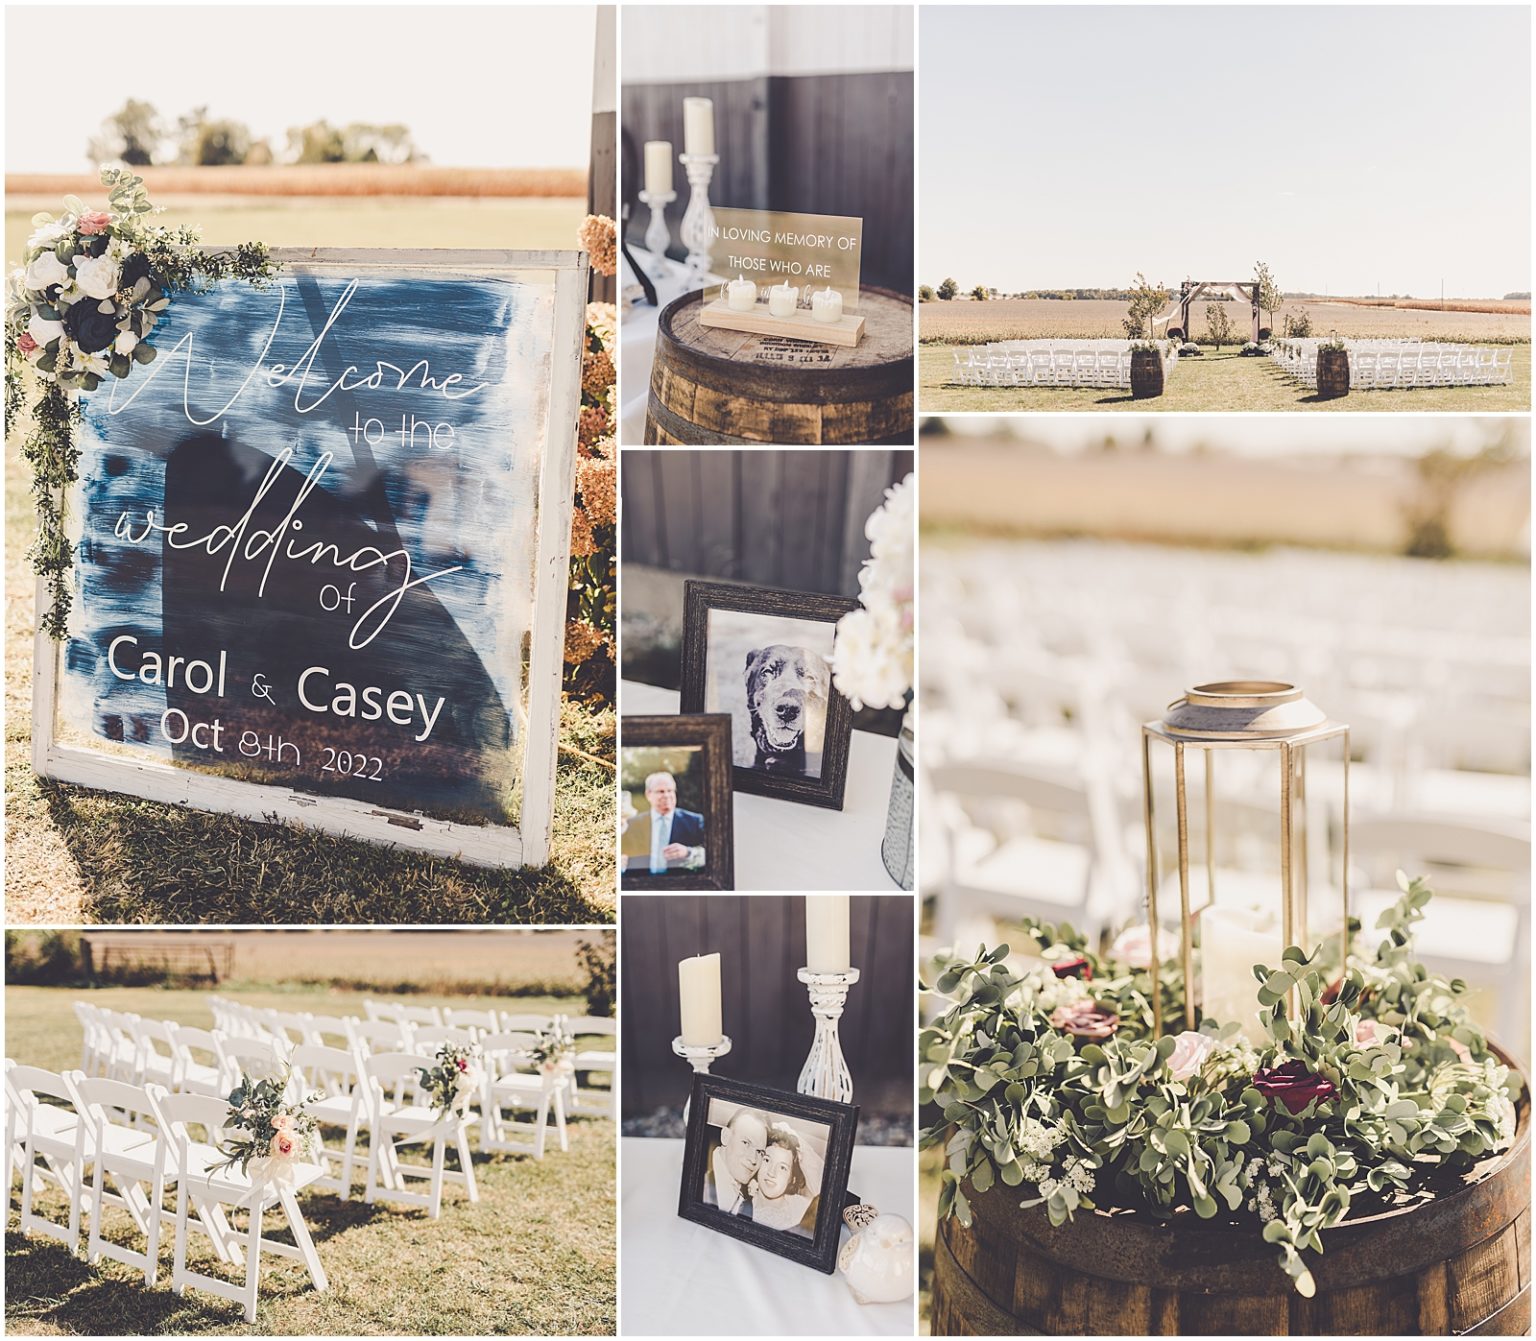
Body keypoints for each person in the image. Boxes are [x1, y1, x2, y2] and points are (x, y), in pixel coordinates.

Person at [747, 1121, 823, 1236]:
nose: (771, 1173)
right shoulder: (742, 1204)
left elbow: (824, 1190)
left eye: (782, 1168)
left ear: (792, 1179)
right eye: (767, 1160)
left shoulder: (800, 1206)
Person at [624, 771, 705, 874]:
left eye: (670, 791)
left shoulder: (694, 821)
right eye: (661, 791)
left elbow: (714, 855)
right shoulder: (633, 824)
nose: (667, 795)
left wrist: (688, 852)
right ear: (648, 794)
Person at [703, 1108, 767, 1216]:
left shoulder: (750, 1198)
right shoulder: (701, 1175)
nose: (753, 1159)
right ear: (725, 1137)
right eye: (746, 1143)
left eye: (760, 1152)